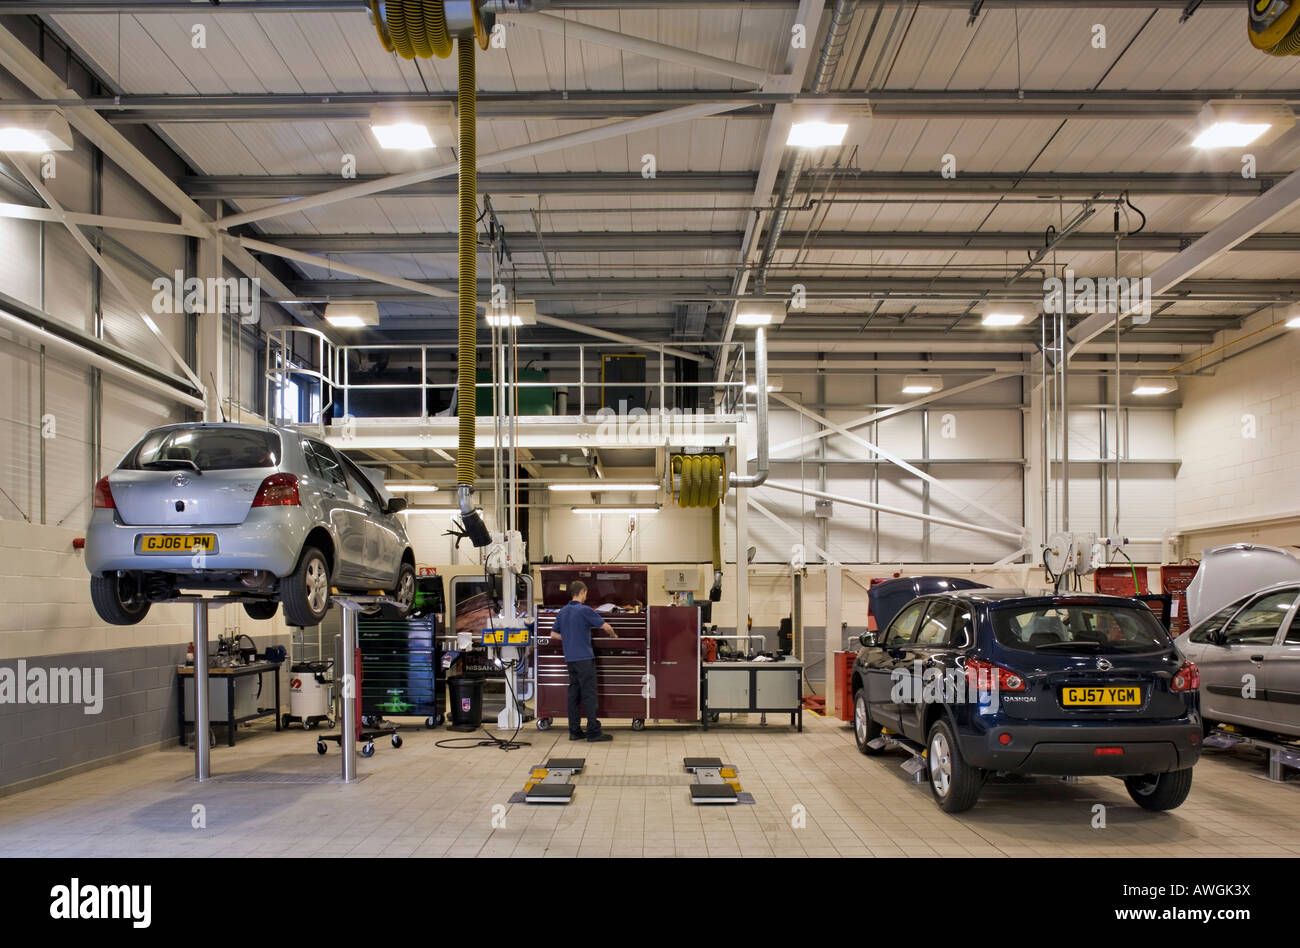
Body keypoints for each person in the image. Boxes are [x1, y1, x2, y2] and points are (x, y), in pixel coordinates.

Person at [552, 580, 617, 742]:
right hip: (584, 659)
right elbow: (606, 627)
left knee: (573, 694)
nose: (586, 597)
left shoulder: (563, 611)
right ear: (582, 592)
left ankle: (574, 731)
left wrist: (569, 639)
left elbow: (553, 634)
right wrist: (614, 636)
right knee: (589, 695)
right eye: (586, 594)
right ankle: (593, 732)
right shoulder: (584, 610)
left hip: (570, 659)